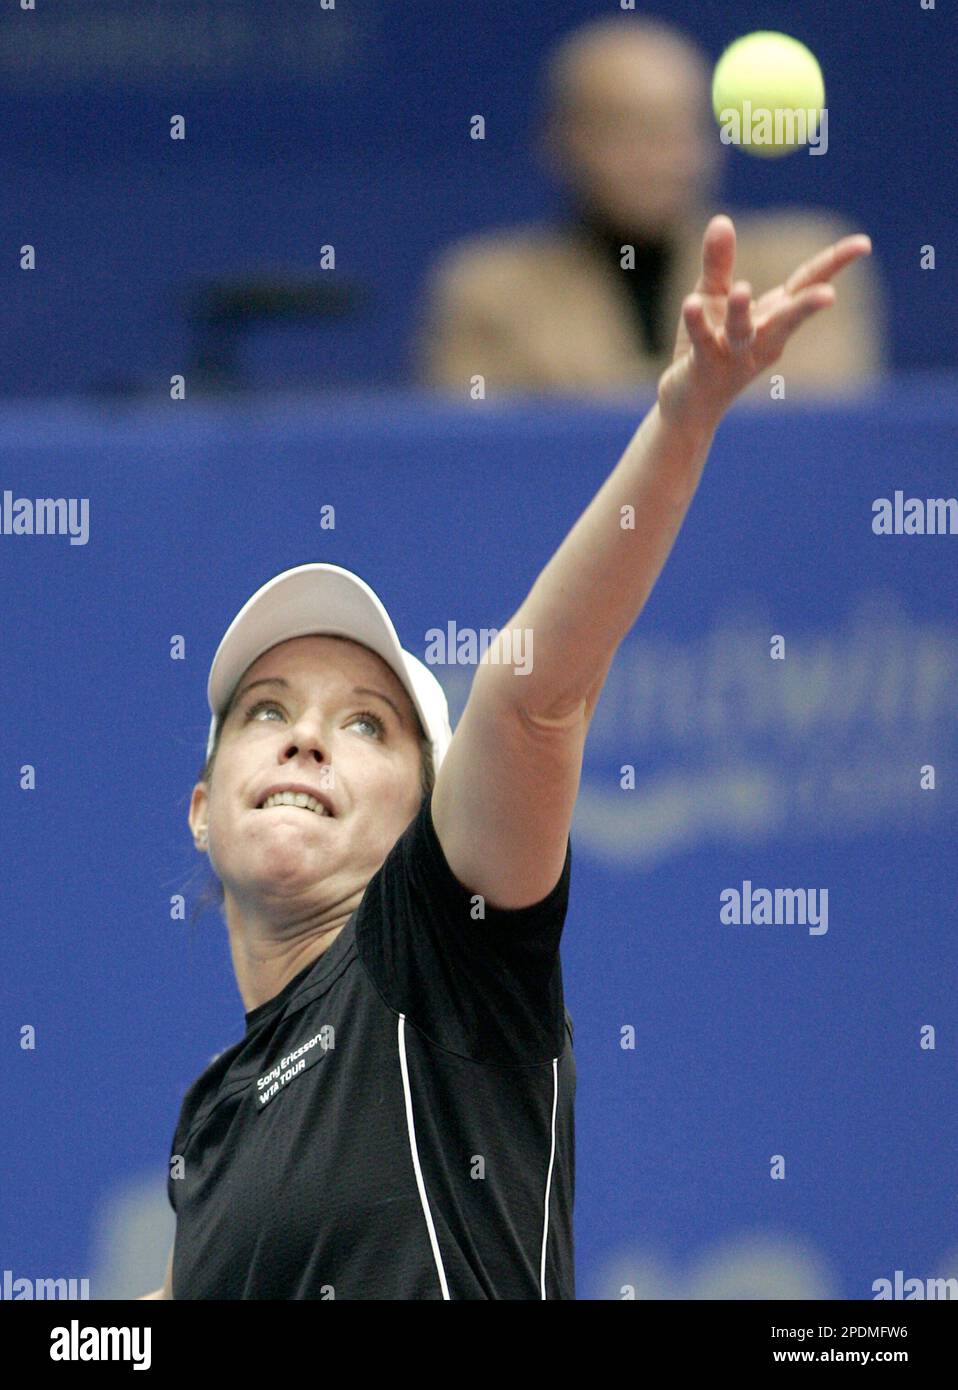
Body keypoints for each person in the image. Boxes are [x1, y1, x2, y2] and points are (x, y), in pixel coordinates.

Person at [139, 211, 871, 1298]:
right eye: (265, 710)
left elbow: (533, 701)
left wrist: (680, 423)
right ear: (202, 807)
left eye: (366, 725)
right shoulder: (213, 1110)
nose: (304, 733)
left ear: (422, 822)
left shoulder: (436, 945)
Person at [414, 15, 884, 399]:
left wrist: (585, 392)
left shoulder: (801, 264)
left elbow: (818, 416)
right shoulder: (484, 290)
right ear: (559, 141)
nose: (654, 158)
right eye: (621, 129)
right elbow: (478, 452)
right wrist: (707, 390)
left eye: (676, 128)